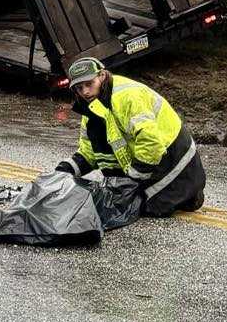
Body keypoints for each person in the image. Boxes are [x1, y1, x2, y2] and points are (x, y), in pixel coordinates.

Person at [64, 56, 206, 214]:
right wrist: (64, 171)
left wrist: (131, 180)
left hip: (174, 157)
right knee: (120, 204)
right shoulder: (92, 108)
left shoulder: (126, 96)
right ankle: (181, 195)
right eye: (79, 88)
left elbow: (151, 143)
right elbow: (89, 151)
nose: (85, 92)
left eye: (89, 84)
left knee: (144, 208)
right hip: (152, 159)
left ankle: (189, 195)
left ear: (102, 76)